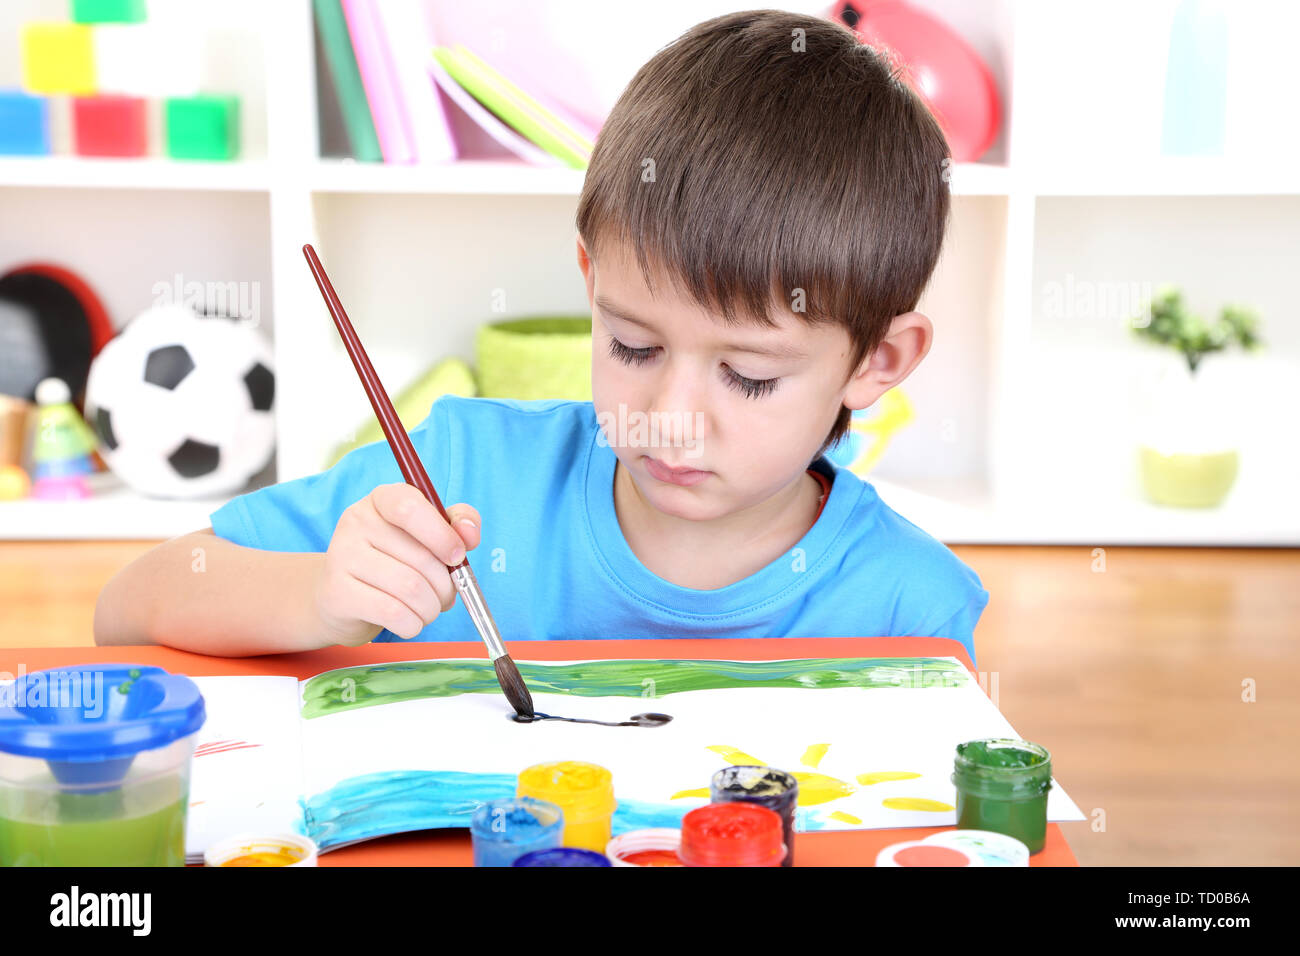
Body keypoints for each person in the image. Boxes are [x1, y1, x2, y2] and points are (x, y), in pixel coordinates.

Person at [95, 10, 988, 664]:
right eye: (634, 347)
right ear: (593, 282)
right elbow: (128, 609)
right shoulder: (458, 473)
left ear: (880, 362)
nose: (668, 418)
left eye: (749, 376)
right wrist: (318, 597)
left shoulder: (914, 607)